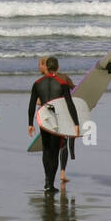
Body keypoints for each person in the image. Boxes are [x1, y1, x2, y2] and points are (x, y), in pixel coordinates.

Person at [28, 55, 79, 193]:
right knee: (55, 152)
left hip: (44, 119)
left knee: (46, 150)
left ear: (46, 67)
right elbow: (69, 104)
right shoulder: (62, 84)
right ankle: (51, 183)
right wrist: (76, 123)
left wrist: (30, 124)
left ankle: (47, 181)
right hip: (57, 119)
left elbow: (32, 105)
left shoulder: (37, 83)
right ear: (57, 67)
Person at [39, 55, 76, 182]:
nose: (39, 67)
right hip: (64, 115)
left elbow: (39, 100)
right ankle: (62, 173)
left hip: (49, 118)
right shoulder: (64, 78)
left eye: (40, 64)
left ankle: (48, 177)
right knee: (63, 144)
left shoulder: (42, 81)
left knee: (48, 148)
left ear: (45, 66)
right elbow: (75, 89)